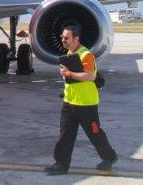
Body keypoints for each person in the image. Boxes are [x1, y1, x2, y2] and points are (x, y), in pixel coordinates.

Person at [44, 25, 117, 175]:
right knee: (65, 134)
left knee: (95, 133)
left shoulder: (86, 55)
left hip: (86, 104)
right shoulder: (70, 53)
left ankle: (109, 157)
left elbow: (90, 76)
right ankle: (61, 164)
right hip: (70, 102)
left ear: (76, 39)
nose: (63, 40)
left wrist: (69, 73)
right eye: (62, 37)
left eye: (66, 38)